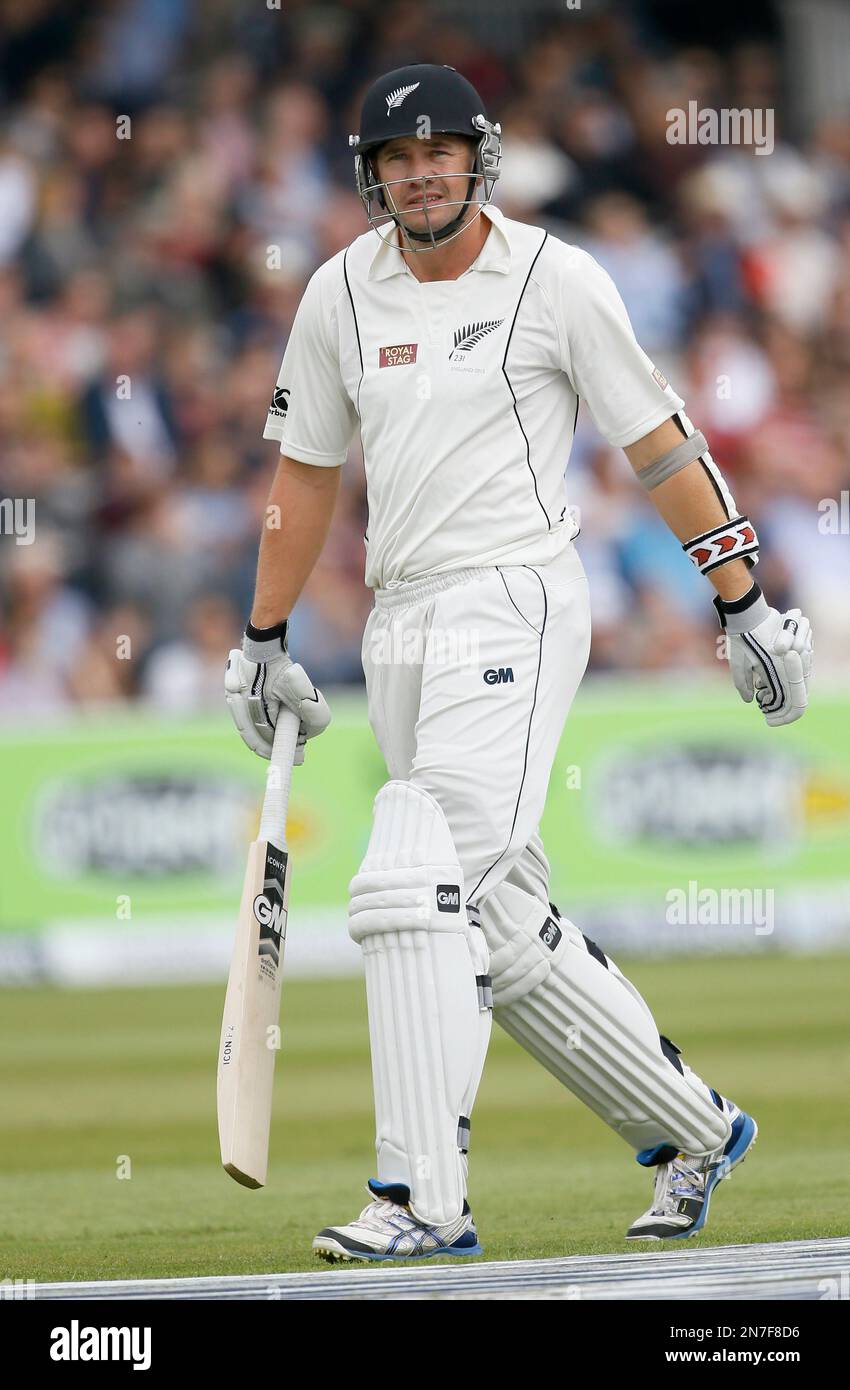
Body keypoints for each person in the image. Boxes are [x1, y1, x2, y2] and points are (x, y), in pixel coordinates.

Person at [224, 64, 813, 1262]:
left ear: (477, 159)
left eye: (437, 152)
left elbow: (658, 443)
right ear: (370, 176)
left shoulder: (555, 278)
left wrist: (742, 600)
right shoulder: (340, 290)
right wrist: (265, 636)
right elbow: (305, 473)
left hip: (516, 600)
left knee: (411, 876)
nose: (418, 173)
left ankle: (420, 1198)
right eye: (395, 160)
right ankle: (695, 1129)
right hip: (402, 617)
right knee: (489, 916)